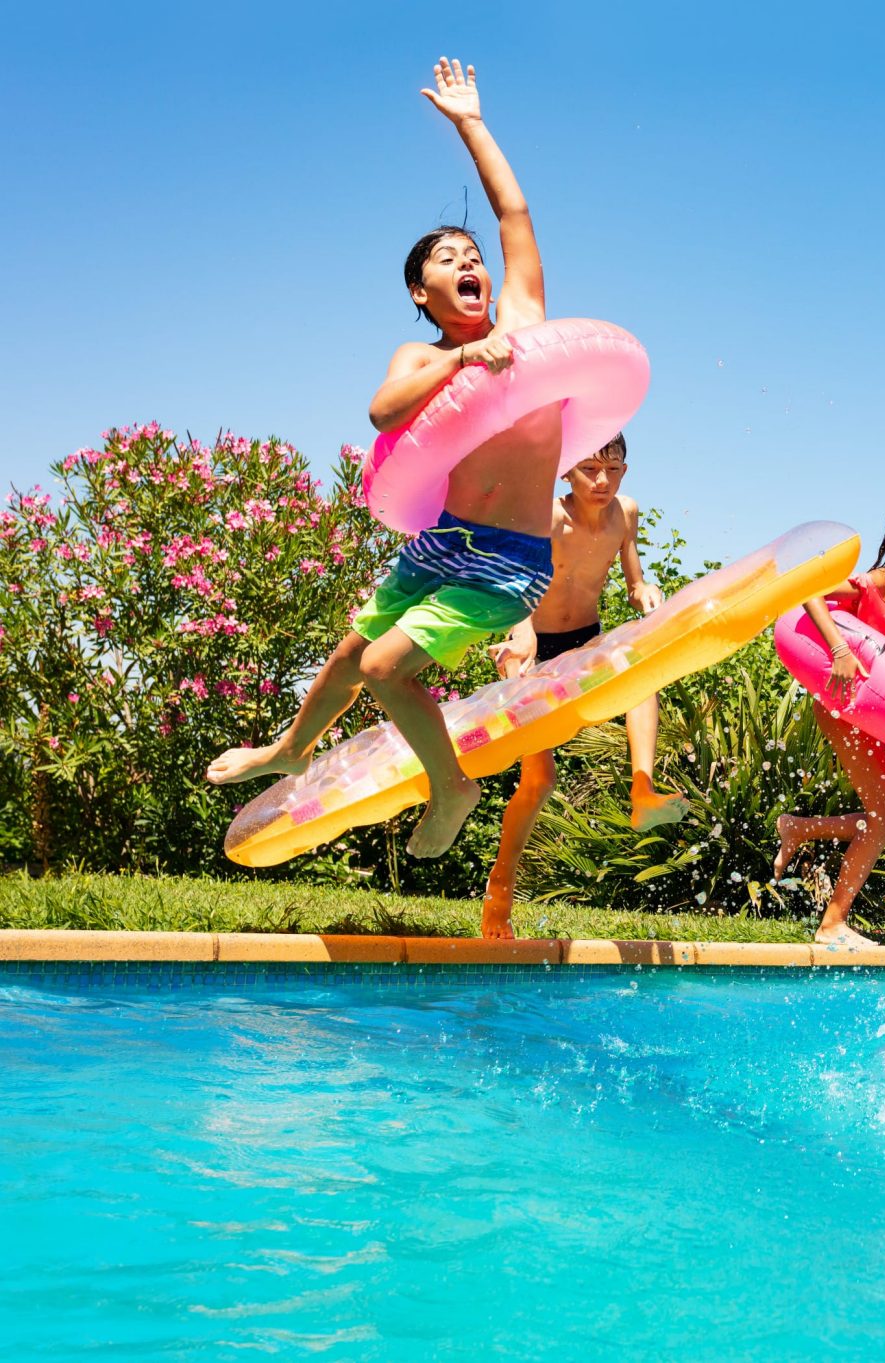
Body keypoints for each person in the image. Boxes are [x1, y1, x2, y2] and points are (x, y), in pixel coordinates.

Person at [207, 58, 561, 859]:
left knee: (384, 665)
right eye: (446, 258)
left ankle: (452, 784)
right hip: (443, 541)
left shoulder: (529, 321)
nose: (469, 262)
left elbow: (515, 209)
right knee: (346, 654)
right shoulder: (421, 354)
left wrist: (470, 123)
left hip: (507, 560)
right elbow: (382, 410)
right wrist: (461, 362)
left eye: (472, 255)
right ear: (418, 291)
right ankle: (288, 749)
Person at [480, 435, 686, 938]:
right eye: (589, 469)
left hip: (583, 641)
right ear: (565, 473)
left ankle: (643, 791)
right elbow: (516, 583)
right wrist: (522, 631)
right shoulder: (549, 517)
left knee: (641, 677)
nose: (602, 481)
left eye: (613, 470)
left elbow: (633, 581)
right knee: (539, 781)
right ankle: (498, 899)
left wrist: (646, 592)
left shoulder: (625, 513)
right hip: (530, 643)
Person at [771, 505, 885, 948]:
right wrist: (839, 650)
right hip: (849, 705)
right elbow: (806, 587)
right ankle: (831, 925)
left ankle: (801, 828)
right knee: (883, 817)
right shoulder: (875, 583)